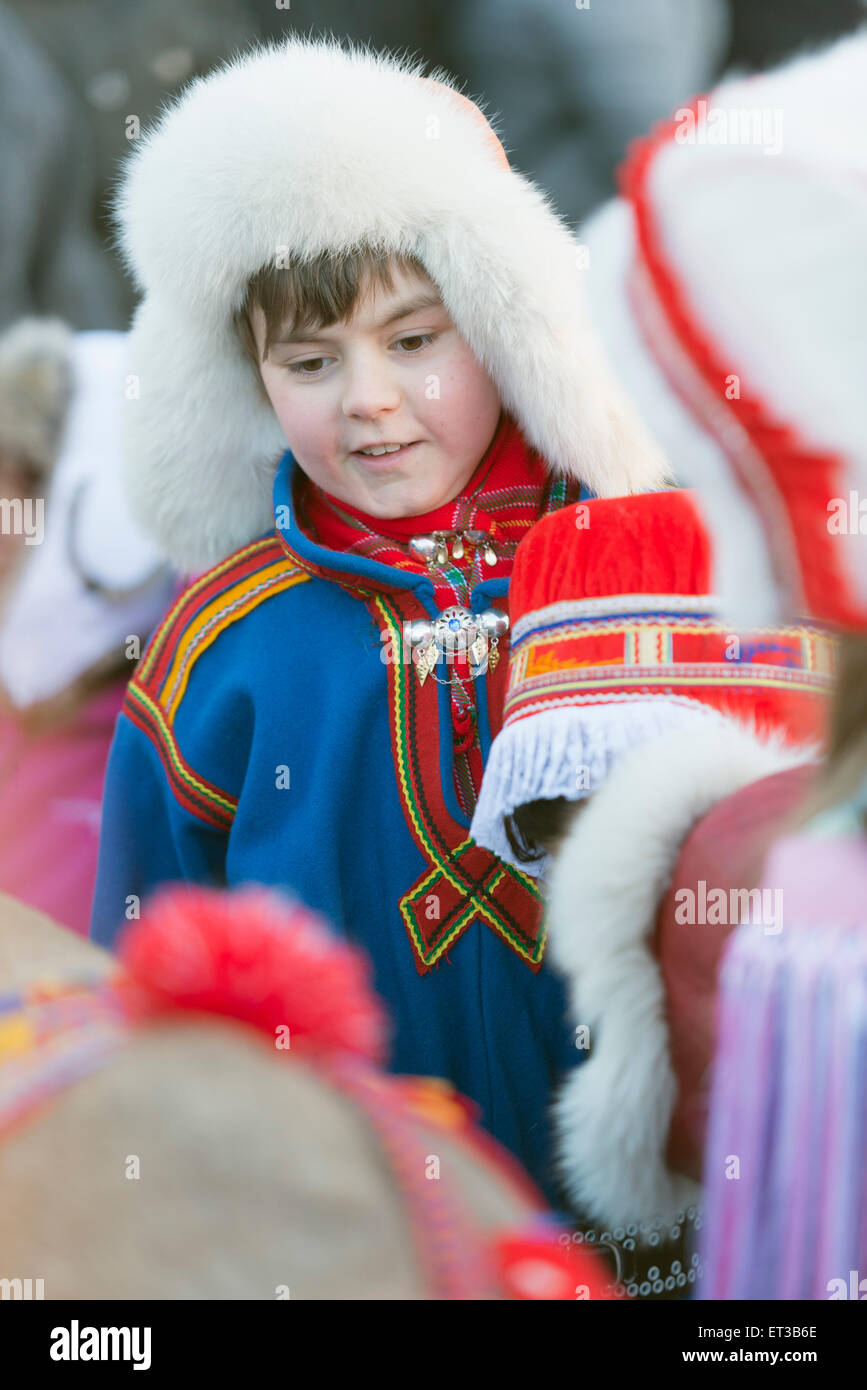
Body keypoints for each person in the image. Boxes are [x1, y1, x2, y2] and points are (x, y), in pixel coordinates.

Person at [89, 37, 666, 1204]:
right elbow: (146, 959)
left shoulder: (644, 572)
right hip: (368, 1229)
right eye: (309, 359)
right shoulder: (220, 649)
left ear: (508, 322)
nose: (369, 400)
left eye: (415, 340)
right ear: (248, 381)